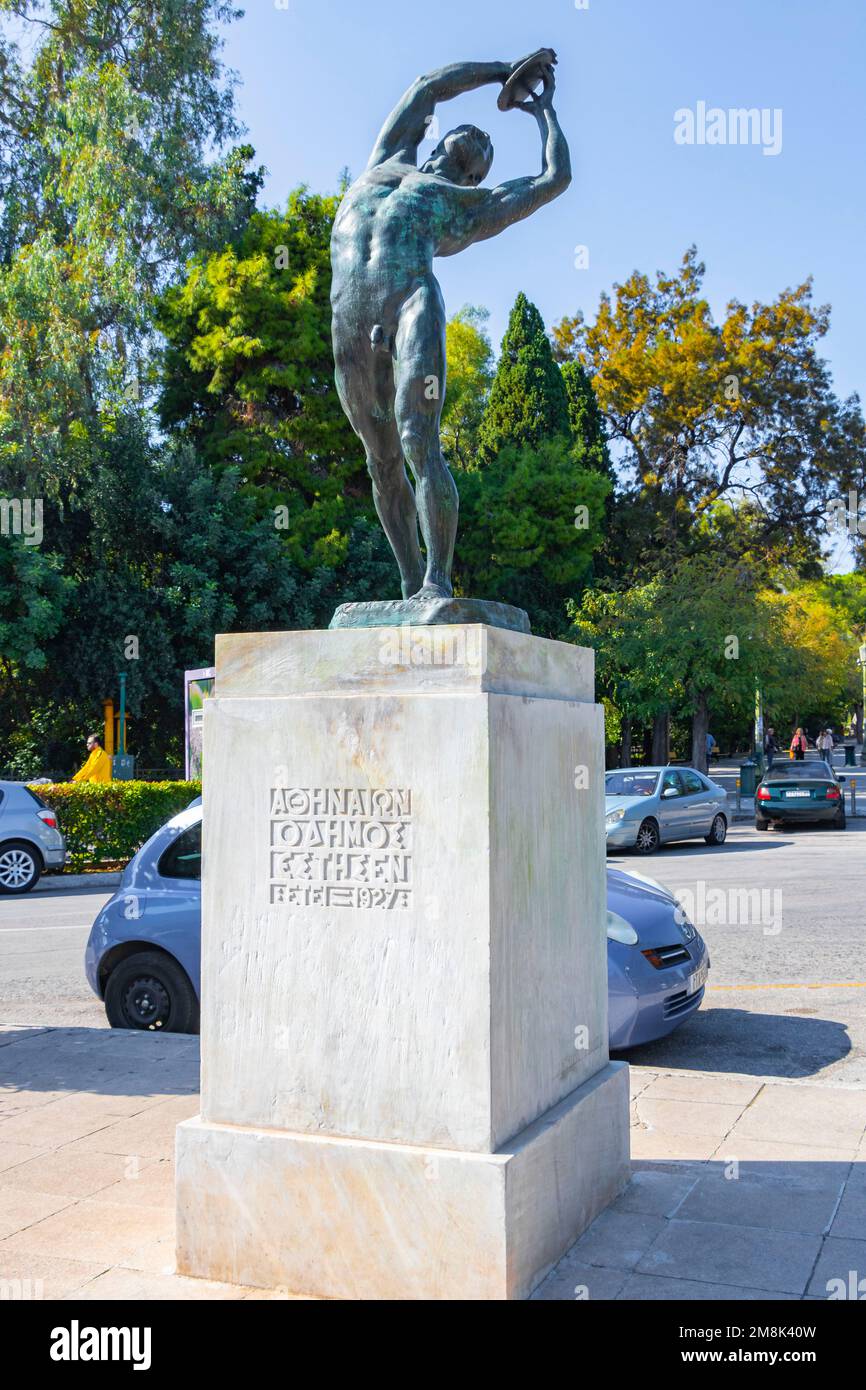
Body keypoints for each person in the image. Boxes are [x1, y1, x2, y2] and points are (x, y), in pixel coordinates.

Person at [330, 52, 571, 599]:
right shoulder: (387, 159)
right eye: (471, 140)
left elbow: (555, 178)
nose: (482, 142)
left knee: (417, 438)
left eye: (485, 156)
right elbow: (426, 87)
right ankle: (411, 581)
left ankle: (438, 579)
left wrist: (543, 112)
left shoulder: (464, 203)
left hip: (412, 303)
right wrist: (504, 69)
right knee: (380, 461)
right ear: (440, 144)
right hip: (349, 323)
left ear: (475, 175)